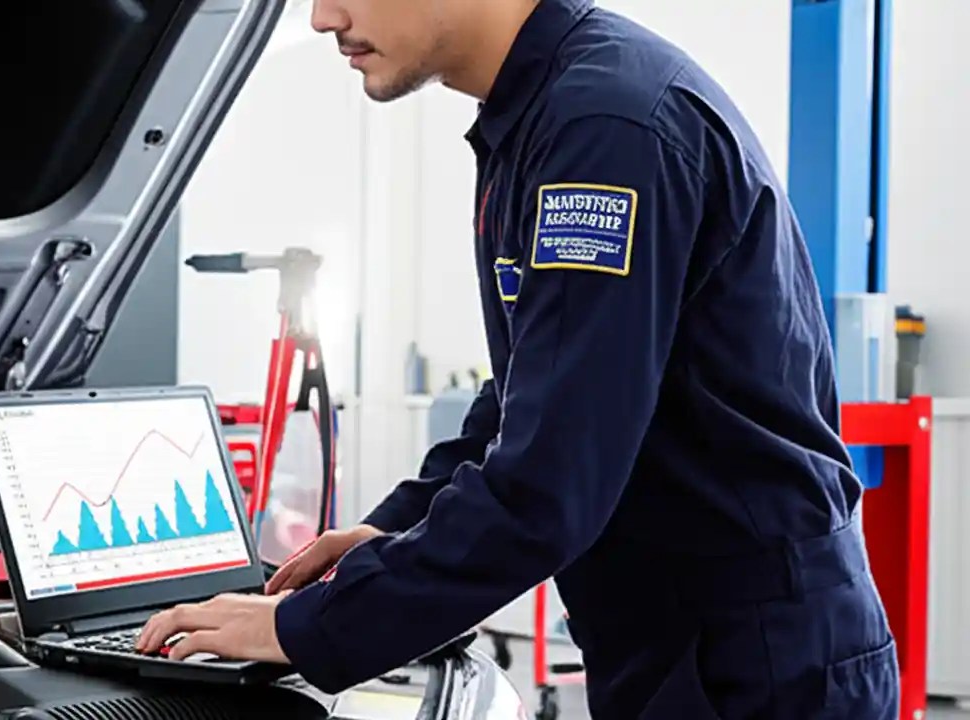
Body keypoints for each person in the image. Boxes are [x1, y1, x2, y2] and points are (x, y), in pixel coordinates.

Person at [137, 0, 901, 716]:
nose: (322, 16)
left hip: (754, 666)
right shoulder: (546, 114)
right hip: (689, 641)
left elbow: (549, 483)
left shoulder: (606, 129)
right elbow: (528, 395)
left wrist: (305, 629)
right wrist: (399, 530)